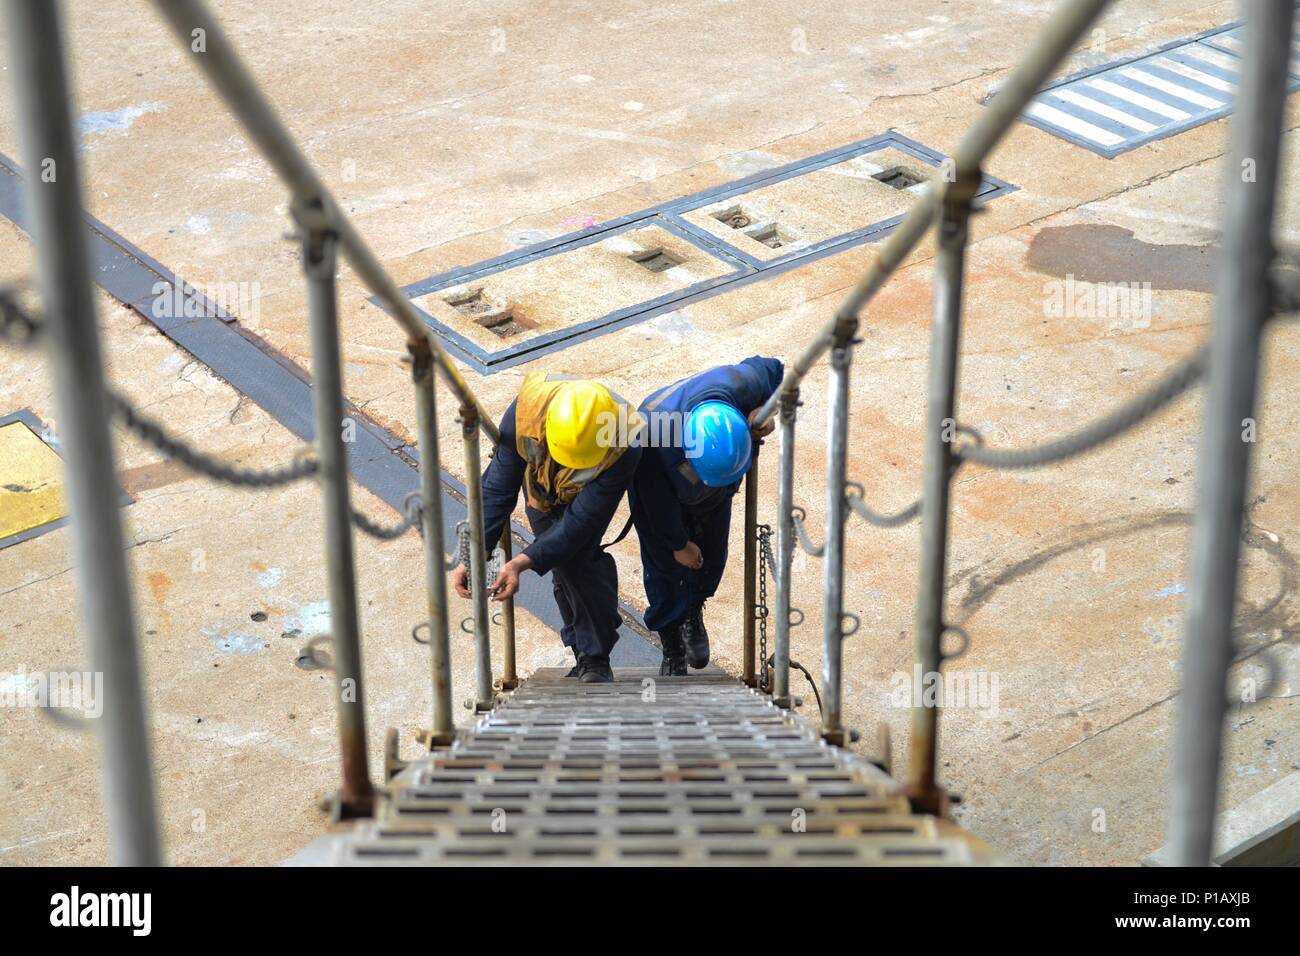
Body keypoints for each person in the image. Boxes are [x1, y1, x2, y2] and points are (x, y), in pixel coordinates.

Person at [453, 374, 643, 683]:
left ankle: (595, 657)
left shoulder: (627, 441)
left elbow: (580, 522)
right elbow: (498, 488)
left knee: (578, 560)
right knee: (560, 564)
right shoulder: (525, 414)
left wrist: (520, 562)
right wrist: (475, 549)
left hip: (588, 495)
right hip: (540, 491)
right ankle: (584, 653)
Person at [630, 356, 782, 675]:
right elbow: (655, 502)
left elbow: (777, 371)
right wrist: (677, 543)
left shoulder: (743, 384)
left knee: (710, 557)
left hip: (715, 491)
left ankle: (692, 611)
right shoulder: (652, 433)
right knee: (664, 567)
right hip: (661, 492)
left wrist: (766, 409)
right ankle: (671, 639)